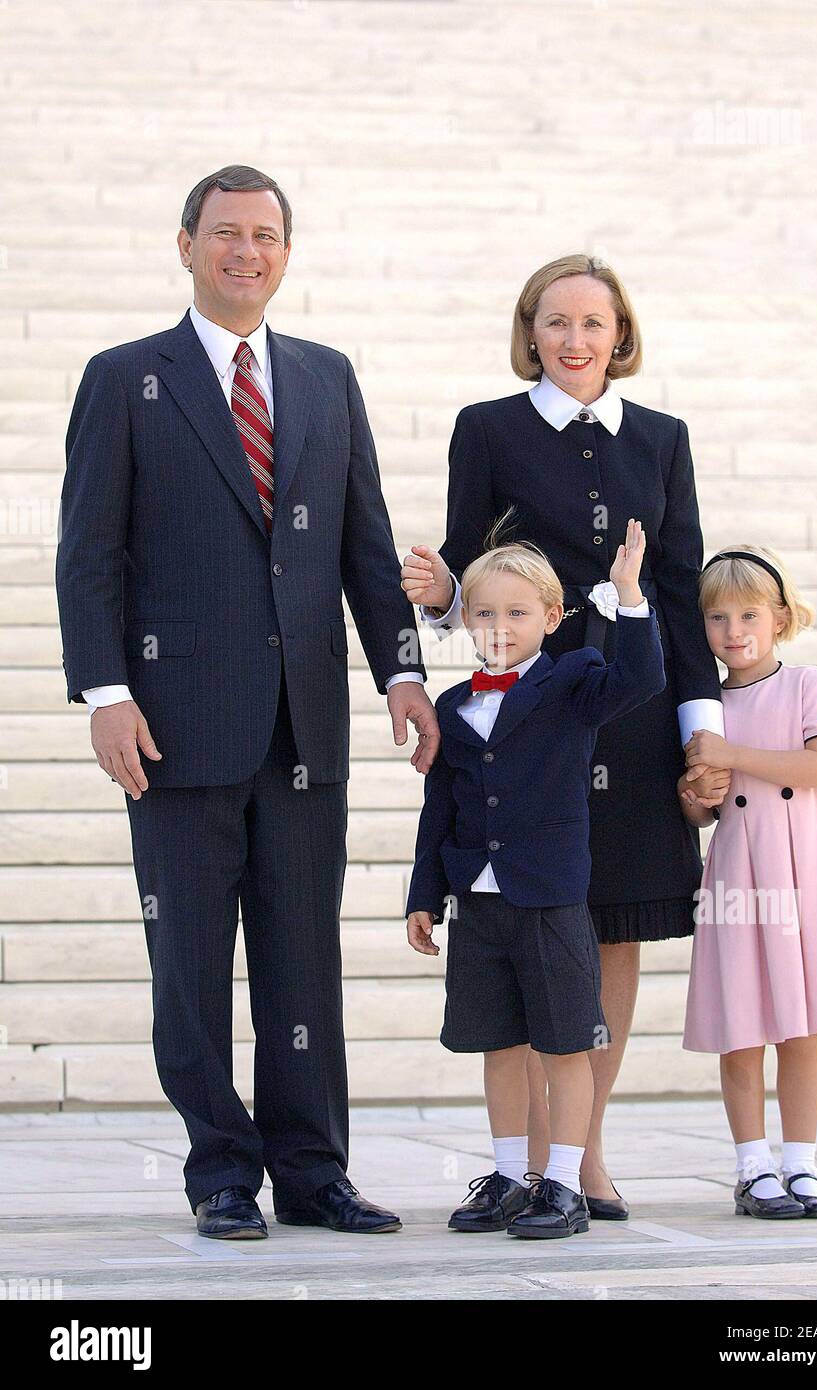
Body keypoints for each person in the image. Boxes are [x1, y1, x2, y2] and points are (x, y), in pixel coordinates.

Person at [55, 165, 439, 1238]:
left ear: (285, 251)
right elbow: (90, 552)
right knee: (188, 965)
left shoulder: (325, 377)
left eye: (265, 235)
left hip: (304, 726)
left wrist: (401, 672)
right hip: (174, 729)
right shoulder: (126, 377)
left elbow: (365, 541)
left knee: (301, 958)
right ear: (185, 245)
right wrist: (106, 692)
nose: (246, 252)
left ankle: (313, 1170)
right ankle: (222, 1169)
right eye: (225, 233)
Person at [401, 254, 729, 1215]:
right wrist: (440, 596)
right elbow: (467, 568)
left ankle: (580, 1158)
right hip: (532, 710)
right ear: (530, 332)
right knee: (538, 925)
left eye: (594, 323)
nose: (575, 340)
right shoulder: (488, 428)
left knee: (613, 929)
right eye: (556, 323)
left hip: (631, 710)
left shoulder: (662, 438)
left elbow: (679, 587)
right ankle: (527, 1164)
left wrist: (699, 729)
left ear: (619, 334)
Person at [406, 519, 665, 1237]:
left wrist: (629, 597)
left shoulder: (572, 680)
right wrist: (425, 896)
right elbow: (440, 808)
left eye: (516, 613)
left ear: (552, 618)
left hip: (549, 899)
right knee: (499, 1044)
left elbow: (642, 679)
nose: (497, 626)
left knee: (565, 1044)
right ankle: (510, 1176)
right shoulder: (454, 705)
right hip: (479, 902)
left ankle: (563, 1184)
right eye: (483, 613)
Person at [679, 545, 817, 1219]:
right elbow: (699, 807)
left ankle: (801, 1163)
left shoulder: (811, 687)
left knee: (803, 1026)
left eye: (748, 614)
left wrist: (731, 757)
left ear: (778, 617)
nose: (733, 631)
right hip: (739, 872)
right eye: (717, 617)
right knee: (741, 1023)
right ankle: (753, 1167)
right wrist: (697, 785)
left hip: (803, 871)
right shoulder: (699, 706)